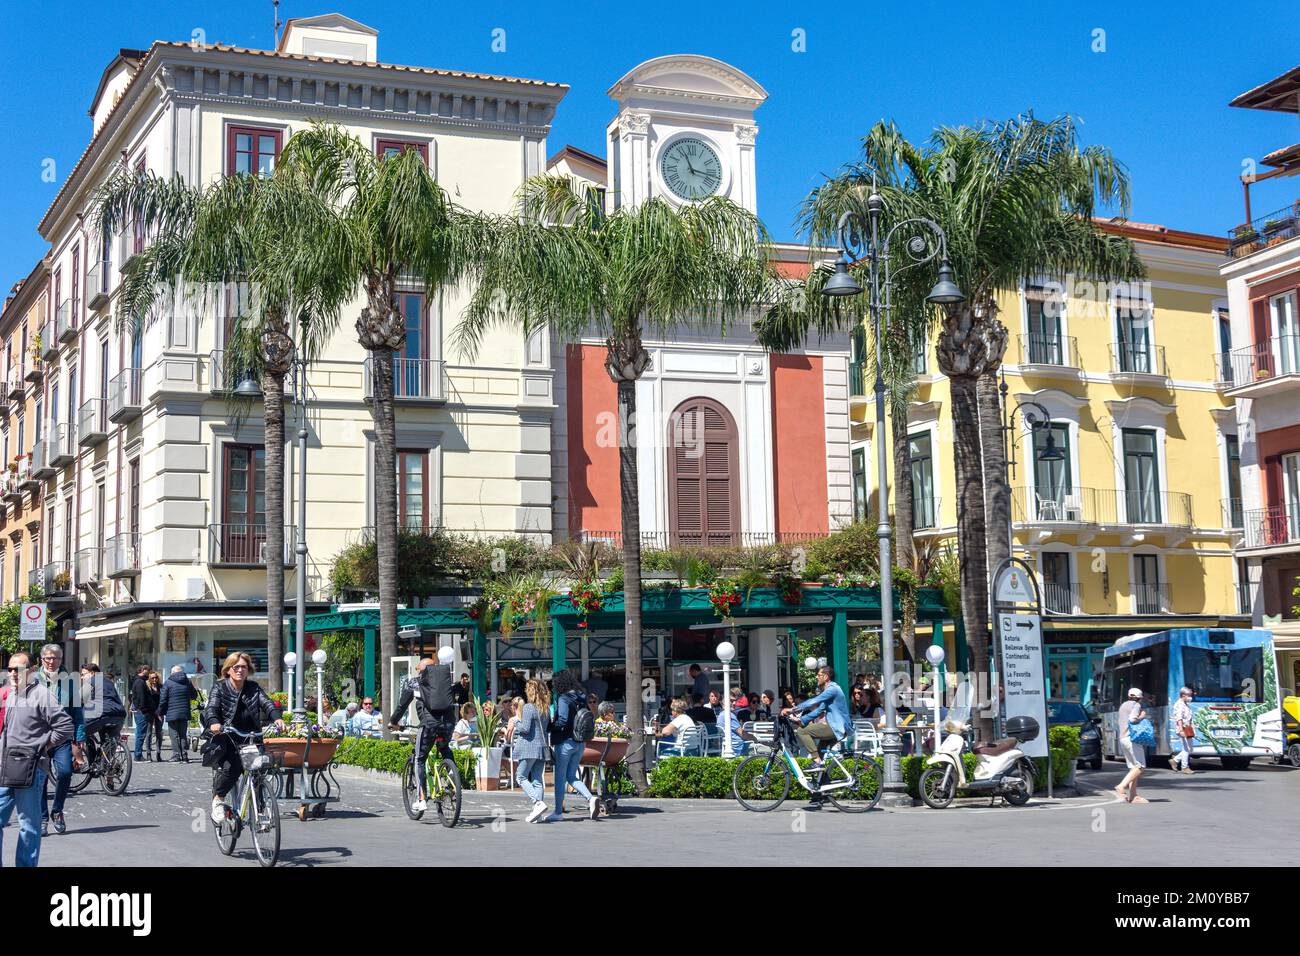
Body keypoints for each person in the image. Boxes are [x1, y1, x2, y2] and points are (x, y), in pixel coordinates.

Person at [0, 651, 74, 867]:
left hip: (32, 769)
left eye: (19, 669)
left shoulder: (42, 694)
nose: (13, 673)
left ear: (32, 670)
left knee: (29, 826)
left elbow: (65, 727)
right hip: (7, 767)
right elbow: (9, 730)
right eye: (11, 669)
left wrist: (41, 746)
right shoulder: (14, 693)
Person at [202, 652, 284, 823]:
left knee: (259, 770)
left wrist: (277, 718)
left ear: (248, 670)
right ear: (228, 670)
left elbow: (267, 703)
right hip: (228, 735)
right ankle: (218, 800)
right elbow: (212, 707)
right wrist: (214, 722)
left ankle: (259, 812)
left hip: (251, 736)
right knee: (232, 767)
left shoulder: (253, 687)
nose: (240, 670)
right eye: (236, 667)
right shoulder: (220, 687)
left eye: (243, 667)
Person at [388, 647, 458, 812]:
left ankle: (421, 799)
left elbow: (402, 706)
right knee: (444, 747)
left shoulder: (414, 683)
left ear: (421, 671)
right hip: (448, 723)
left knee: (419, 759)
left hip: (428, 726)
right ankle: (452, 778)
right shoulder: (446, 682)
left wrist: (393, 721)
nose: (416, 671)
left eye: (417, 669)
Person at [34, 644, 82, 837]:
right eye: (48, 658)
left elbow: (77, 713)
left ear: (61, 660)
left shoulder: (70, 682)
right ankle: (43, 817)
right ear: (41, 659)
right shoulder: (32, 680)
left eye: (55, 658)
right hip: (39, 737)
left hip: (62, 737)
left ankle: (57, 811)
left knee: (64, 772)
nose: (51, 661)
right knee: (41, 780)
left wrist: (79, 739)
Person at [548, 669, 598, 821]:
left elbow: (562, 720)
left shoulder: (564, 698)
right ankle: (590, 798)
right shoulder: (582, 696)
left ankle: (558, 812)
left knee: (560, 778)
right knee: (571, 776)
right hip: (580, 742)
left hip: (565, 742)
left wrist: (550, 727)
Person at [785, 665, 850, 770]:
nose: (816, 677)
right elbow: (819, 710)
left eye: (819, 675)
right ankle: (821, 779)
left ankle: (817, 761)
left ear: (826, 677)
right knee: (820, 756)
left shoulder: (833, 689)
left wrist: (793, 709)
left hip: (837, 728)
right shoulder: (830, 691)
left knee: (802, 731)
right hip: (837, 727)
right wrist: (801, 719)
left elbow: (814, 701)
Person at [513, 678, 551, 823]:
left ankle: (537, 803)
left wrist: (516, 720)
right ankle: (538, 814)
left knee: (520, 777)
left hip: (529, 747)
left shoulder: (529, 707)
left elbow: (525, 729)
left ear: (530, 691)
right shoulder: (545, 708)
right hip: (542, 747)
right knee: (537, 780)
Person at [78, 663, 126, 768]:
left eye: (83, 674)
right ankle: (109, 773)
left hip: (100, 714)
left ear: (92, 673)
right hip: (118, 715)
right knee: (109, 743)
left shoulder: (92, 680)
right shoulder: (109, 682)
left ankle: (86, 763)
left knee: (78, 733)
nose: (82, 677)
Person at [158, 665, 198, 762]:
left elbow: (163, 699)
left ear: (172, 672)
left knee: (174, 735)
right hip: (184, 712)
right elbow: (194, 695)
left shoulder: (168, 682)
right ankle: (184, 755)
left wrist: (160, 712)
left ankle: (176, 755)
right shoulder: (187, 681)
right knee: (182, 734)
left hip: (172, 712)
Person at [1115, 687, 1149, 804]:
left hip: (1123, 738)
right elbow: (1133, 719)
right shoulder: (1136, 705)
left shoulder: (1123, 705)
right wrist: (1142, 716)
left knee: (1133, 768)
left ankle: (1133, 796)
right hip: (1131, 739)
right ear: (1139, 698)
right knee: (1140, 767)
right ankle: (1121, 786)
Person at [129, 666, 153, 760]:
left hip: (140, 711)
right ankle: (138, 755)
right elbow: (141, 697)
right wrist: (144, 710)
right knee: (141, 734)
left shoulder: (139, 681)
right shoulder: (140, 682)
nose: (149, 672)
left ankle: (138, 754)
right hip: (141, 711)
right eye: (148, 670)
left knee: (140, 733)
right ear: (143, 670)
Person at [1171, 686, 1196, 775]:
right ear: (1183, 695)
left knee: (1190, 749)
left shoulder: (1185, 704)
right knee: (1186, 748)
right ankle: (1185, 767)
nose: (1190, 697)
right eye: (1189, 695)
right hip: (1183, 728)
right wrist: (1181, 730)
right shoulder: (1179, 704)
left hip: (1188, 728)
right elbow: (1179, 718)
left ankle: (1175, 760)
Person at [146, 672, 165, 760]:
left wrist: (160, 712)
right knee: (149, 733)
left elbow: (163, 700)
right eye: (152, 678)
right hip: (150, 712)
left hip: (159, 712)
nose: (154, 680)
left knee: (159, 733)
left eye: (156, 678)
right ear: (149, 679)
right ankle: (148, 753)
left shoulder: (161, 687)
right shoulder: (147, 687)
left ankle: (158, 753)